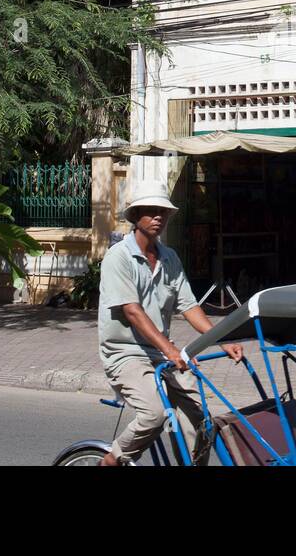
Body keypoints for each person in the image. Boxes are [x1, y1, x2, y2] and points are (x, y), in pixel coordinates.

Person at [97, 180, 242, 466]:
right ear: (135, 216)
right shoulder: (119, 257)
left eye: (163, 211)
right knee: (154, 414)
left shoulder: (169, 257)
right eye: (151, 211)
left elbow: (189, 306)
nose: (158, 217)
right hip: (125, 354)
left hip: (160, 352)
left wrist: (221, 340)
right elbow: (133, 311)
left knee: (201, 418)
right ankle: (113, 459)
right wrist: (173, 351)